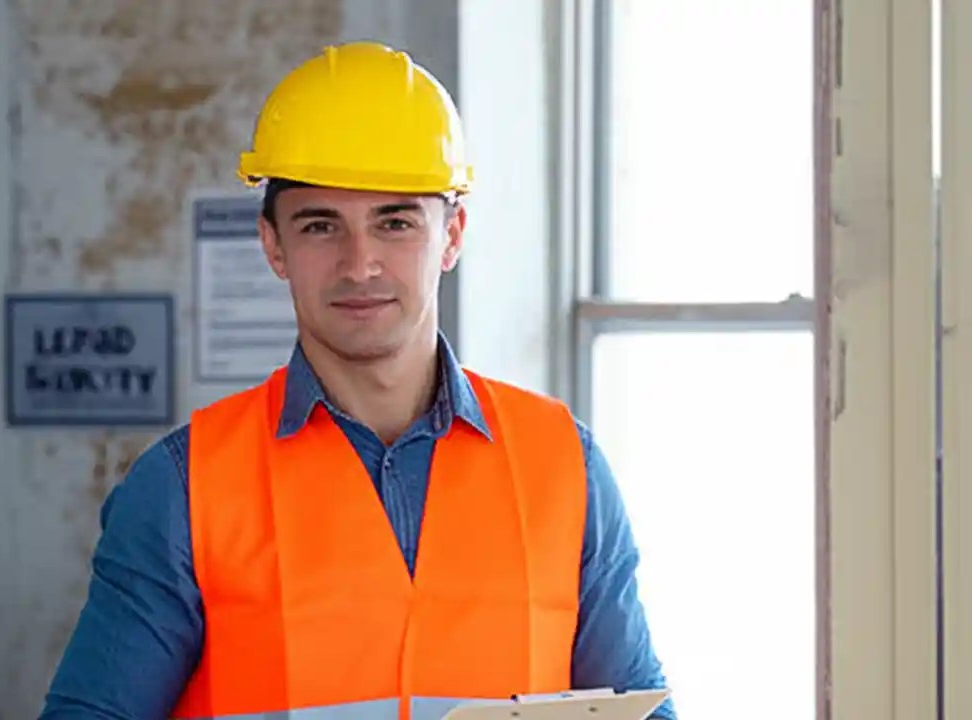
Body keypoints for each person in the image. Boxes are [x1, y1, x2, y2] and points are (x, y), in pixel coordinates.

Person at [40, 41, 674, 720]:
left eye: (394, 222)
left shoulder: (564, 467)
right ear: (273, 245)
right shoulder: (183, 488)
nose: (360, 263)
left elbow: (639, 712)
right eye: (321, 226)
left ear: (452, 234)